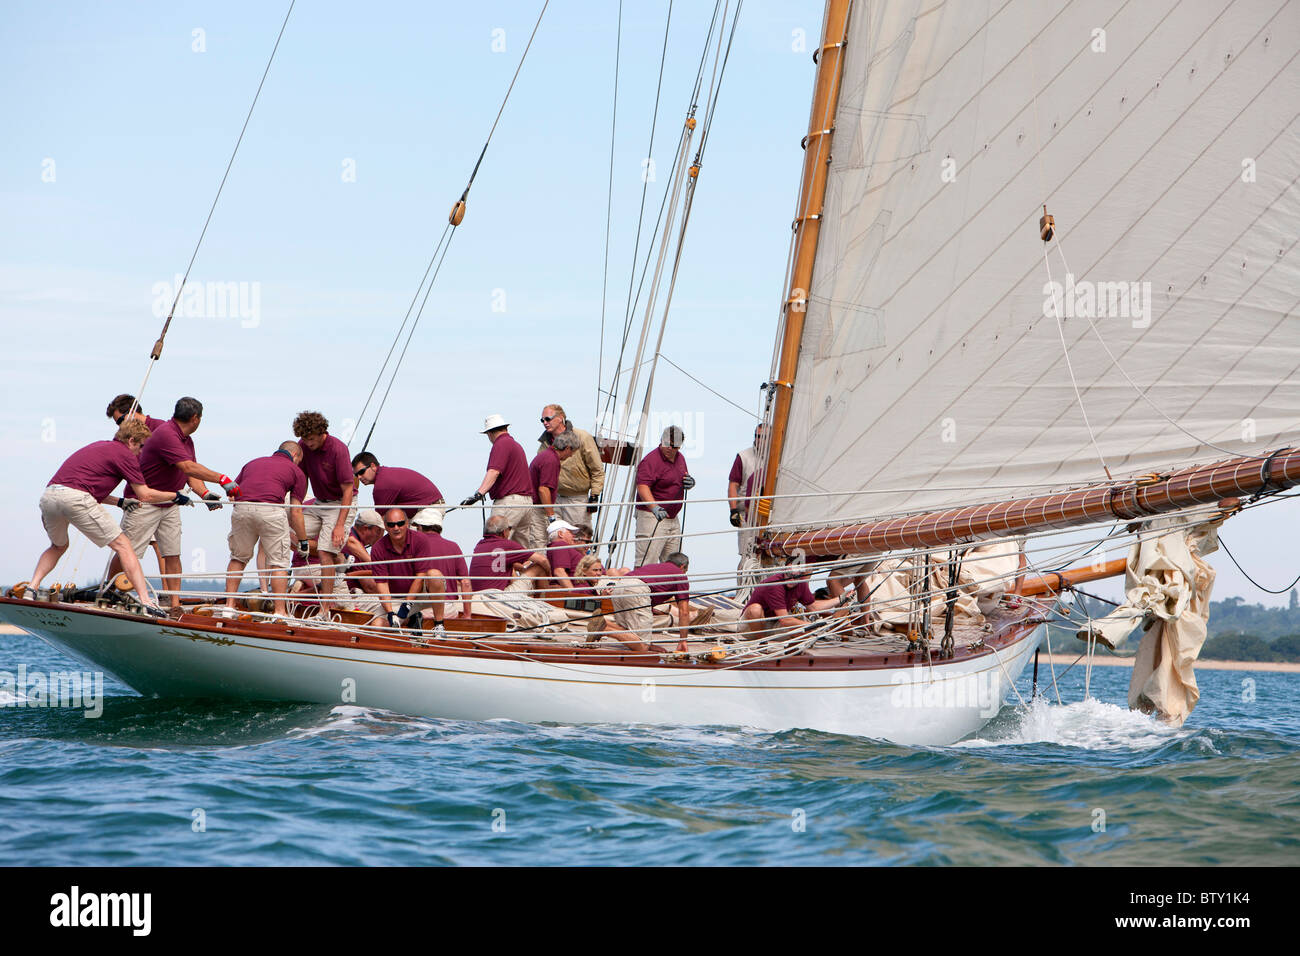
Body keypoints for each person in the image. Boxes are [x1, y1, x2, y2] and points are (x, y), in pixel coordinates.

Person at [25, 420, 190, 609]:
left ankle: (32, 588)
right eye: (141, 446)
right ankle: (146, 600)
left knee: (58, 546)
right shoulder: (126, 455)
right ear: (131, 441)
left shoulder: (98, 446)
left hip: (50, 496)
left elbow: (86, 488)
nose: (141, 452)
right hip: (76, 498)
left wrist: (120, 502)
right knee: (124, 546)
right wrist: (175, 496)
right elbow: (145, 494)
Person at [110, 397, 240, 610]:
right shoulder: (166, 433)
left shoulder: (186, 440)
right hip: (146, 502)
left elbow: (190, 470)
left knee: (172, 553)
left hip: (170, 502)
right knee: (128, 550)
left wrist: (205, 494)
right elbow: (187, 467)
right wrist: (223, 479)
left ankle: (175, 603)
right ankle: (109, 591)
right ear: (196, 418)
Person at [224, 441, 308, 618]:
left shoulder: (253, 463)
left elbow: (232, 492)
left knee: (238, 558)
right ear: (295, 456)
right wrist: (303, 540)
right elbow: (296, 511)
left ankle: (228, 607)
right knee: (279, 562)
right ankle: (279, 612)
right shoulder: (296, 471)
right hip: (271, 510)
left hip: (242, 508)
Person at [293, 411, 356, 599]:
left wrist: (339, 526)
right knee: (286, 531)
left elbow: (348, 491)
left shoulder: (338, 449)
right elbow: (301, 479)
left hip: (341, 502)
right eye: (304, 438)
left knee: (324, 551)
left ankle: (326, 607)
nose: (308, 443)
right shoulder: (303, 446)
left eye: (311, 439)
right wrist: (295, 508)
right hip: (320, 503)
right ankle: (340, 560)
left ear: (322, 433)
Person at [368, 509, 454, 636]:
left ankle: (439, 625)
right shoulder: (378, 548)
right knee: (376, 627)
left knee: (435, 575)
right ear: (385, 526)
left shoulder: (420, 539)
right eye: (391, 525)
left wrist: (407, 604)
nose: (396, 528)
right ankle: (411, 620)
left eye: (400, 523)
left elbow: (420, 577)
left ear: (407, 523)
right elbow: (382, 584)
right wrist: (390, 613)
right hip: (396, 597)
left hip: (421, 594)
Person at [587, 552, 693, 654]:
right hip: (637, 589)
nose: (685, 574)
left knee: (628, 632)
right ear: (683, 566)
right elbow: (684, 612)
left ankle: (603, 623)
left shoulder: (654, 567)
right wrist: (683, 640)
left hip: (619, 586)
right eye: (686, 570)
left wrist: (650, 644)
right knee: (642, 647)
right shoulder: (680, 575)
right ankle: (605, 627)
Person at [461, 415, 533, 537]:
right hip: (526, 504)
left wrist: (479, 494)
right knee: (520, 551)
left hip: (509, 503)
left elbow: (494, 471)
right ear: (505, 428)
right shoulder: (515, 445)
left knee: (496, 542)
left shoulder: (501, 444)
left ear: (489, 433)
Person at [633, 425, 693, 565]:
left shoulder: (680, 459)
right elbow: (642, 486)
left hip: (673, 518)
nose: (669, 448)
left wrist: (690, 482)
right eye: (667, 444)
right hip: (652, 517)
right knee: (647, 561)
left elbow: (682, 477)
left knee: (674, 563)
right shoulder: (651, 461)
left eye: (674, 446)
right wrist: (654, 507)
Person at [537, 404, 605, 525]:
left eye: (548, 419)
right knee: (554, 538)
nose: (545, 423)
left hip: (577, 500)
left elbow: (597, 469)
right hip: (554, 499)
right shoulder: (544, 444)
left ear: (560, 418)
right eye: (542, 420)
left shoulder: (582, 437)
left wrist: (594, 495)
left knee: (578, 538)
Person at [519, 431, 579, 550]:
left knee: (540, 542)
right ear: (567, 448)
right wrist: (551, 516)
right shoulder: (551, 460)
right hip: (537, 509)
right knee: (539, 543)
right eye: (572, 451)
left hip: (534, 507)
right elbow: (543, 489)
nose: (571, 455)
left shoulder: (546, 455)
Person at [741, 569, 840, 639]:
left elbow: (813, 607)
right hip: (752, 627)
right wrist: (811, 625)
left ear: (801, 576)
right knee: (755, 609)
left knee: (804, 630)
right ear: (784, 572)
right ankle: (761, 643)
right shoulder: (775, 584)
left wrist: (841, 599)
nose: (791, 579)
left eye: (796, 577)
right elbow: (785, 620)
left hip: (775, 624)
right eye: (788, 575)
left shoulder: (801, 584)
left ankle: (795, 652)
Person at [409, 508, 471, 619]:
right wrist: (467, 615)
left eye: (417, 527)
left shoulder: (412, 547)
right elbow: (465, 583)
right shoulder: (454, 547)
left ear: (421, 527)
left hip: (417, 606)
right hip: (446, 609)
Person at [468, 515, 550, 596]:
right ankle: (540, 601)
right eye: (509, 528)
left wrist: (523, 568)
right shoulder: (506, 545)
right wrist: (550, 576)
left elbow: (500, 565)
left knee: (510, 567)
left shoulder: (480, 545)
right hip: (498, 596)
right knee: (539, 566)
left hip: (479, 595)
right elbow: (543, 560)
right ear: (504, 532)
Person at [728, 422, 766, 592]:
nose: (758, 440)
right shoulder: (744, 456)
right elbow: (733, 484)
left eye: (762, 437)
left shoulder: (777, 456)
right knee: (746, 555)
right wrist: (733, 510)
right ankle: (742, 593)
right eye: (756, 436)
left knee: (767, 557)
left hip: (770, 514)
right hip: (746, 514)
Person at [349, 452, 443, 518]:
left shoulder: (382, 485)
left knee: (413, 542)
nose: (359, 477)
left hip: (429, 510)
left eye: (361, 472)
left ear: (373, 466)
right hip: (427, 508)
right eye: (356, 475)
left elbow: (379, 523)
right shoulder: (385, 475)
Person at [544, 520, 585, 591]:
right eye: (570, 532)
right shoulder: (560, 545)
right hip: (581, 593)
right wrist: (573, 595)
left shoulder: (558, 547)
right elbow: (559, 571)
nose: (574, 535)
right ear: (560, 534)